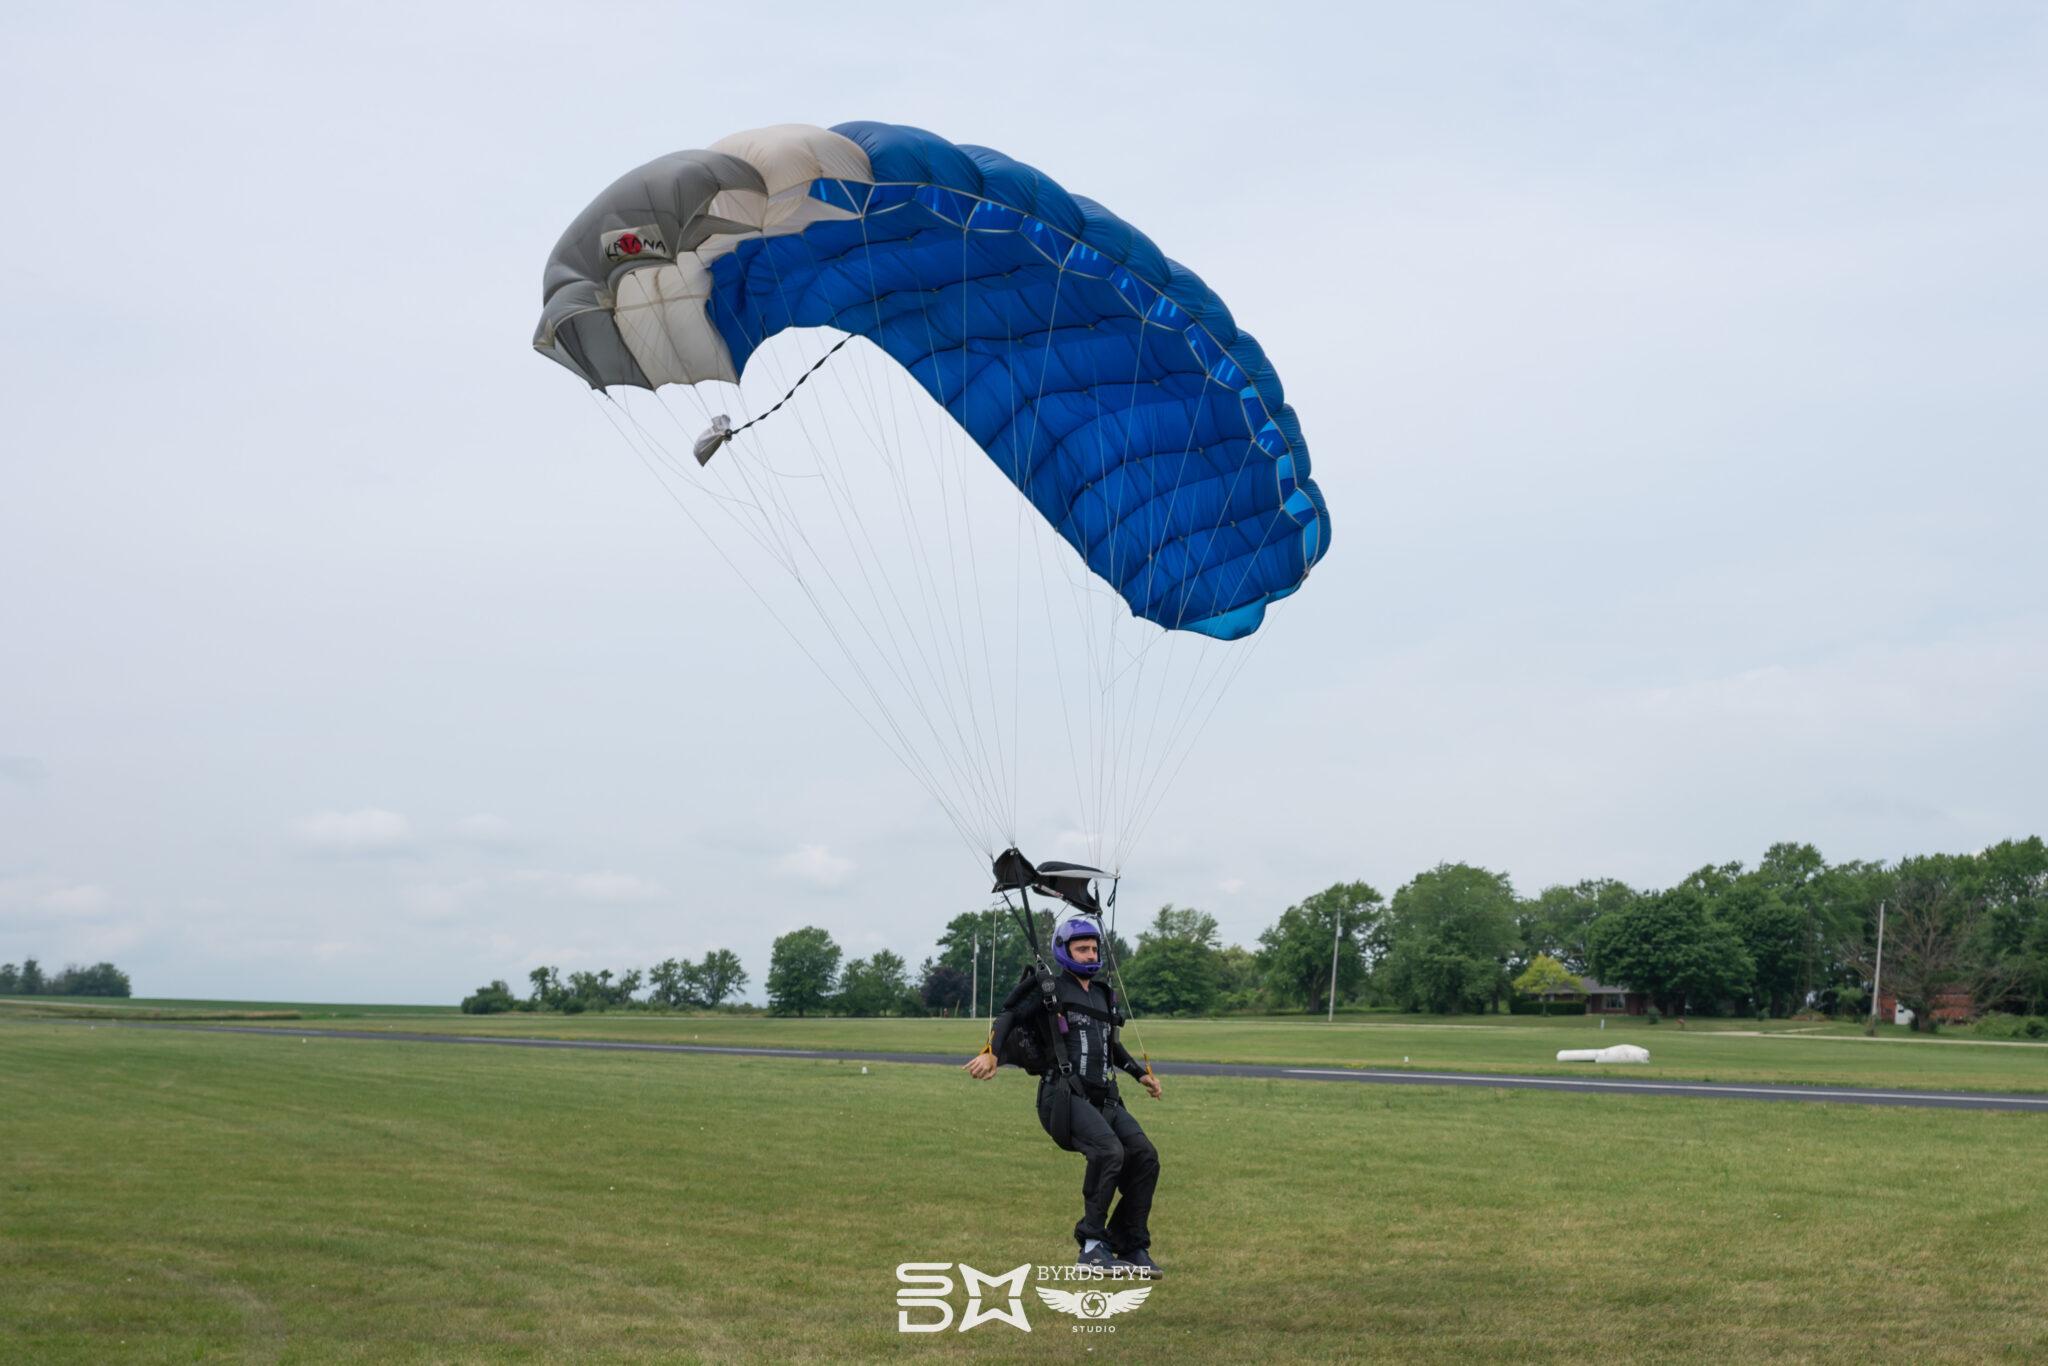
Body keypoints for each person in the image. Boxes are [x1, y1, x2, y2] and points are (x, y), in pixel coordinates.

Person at [962, 911, 1165, 1277]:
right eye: (1082, 948)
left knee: (1145, 1157)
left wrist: (1139, 1075)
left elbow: (1110, 1045)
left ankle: (1131, 1245)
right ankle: (1091, 1246)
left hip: (1106, 1098)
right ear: (1064, 950)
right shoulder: (1050, 989)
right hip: (1062, 1097)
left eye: (1093, 948)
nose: (1090, 954)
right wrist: (991, 1050)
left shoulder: (1104, 995)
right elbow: (1009, 1016)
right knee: (1108, 1151)